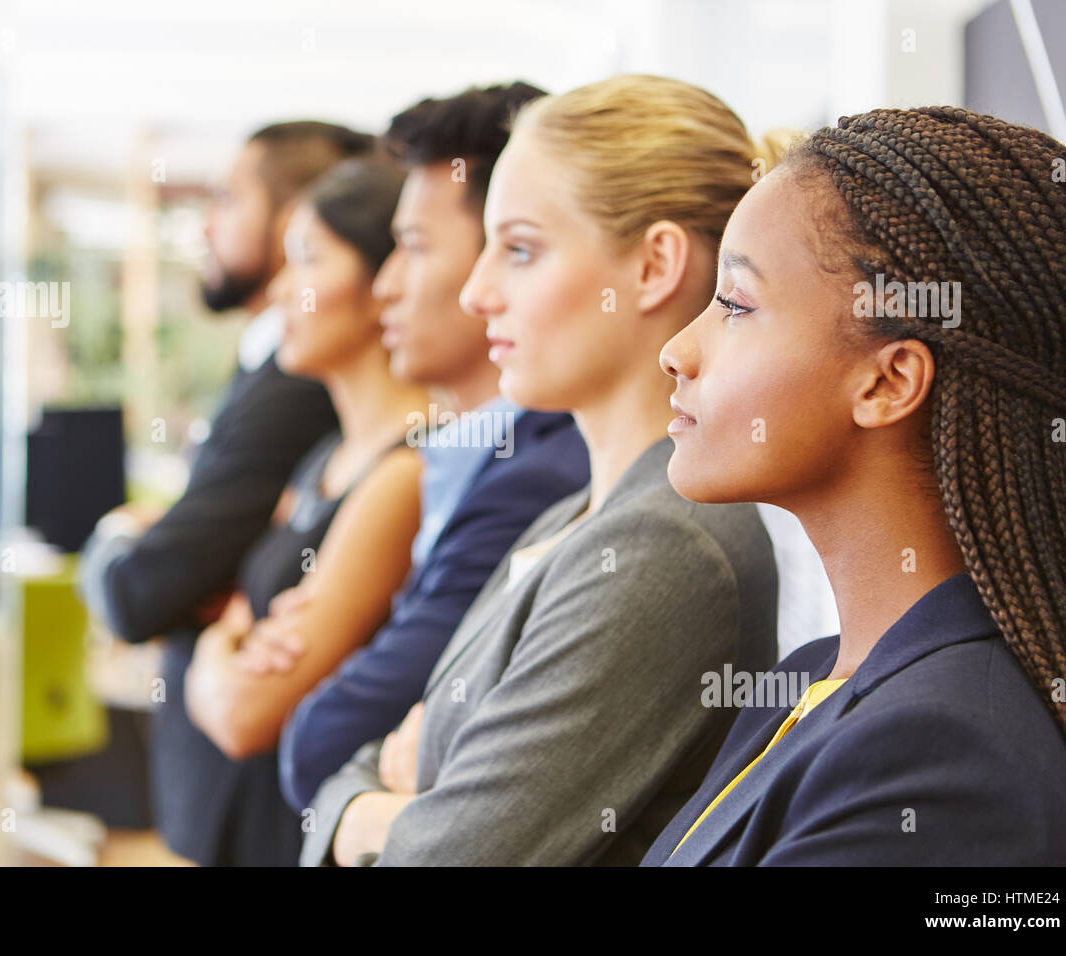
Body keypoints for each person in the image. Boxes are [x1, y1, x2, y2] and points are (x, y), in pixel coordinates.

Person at [301, 75, 780, 867]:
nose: (477, 291)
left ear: (654, 265)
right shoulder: (570, 518)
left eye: (519, 249)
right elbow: (356, 763)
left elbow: (453, 857)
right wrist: (390, 802)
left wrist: (371, 817)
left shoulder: (662, 547)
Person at [644, 106, 1066, 866]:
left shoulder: (942, 754)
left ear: (889, 382)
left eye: (734, 304)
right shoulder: (813, 676)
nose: (676, 350)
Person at [268, 83, 591, 815]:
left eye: (412, 248)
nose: (385, 286)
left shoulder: (539, 477)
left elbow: (323, 736)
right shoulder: (466, 458)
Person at [169, 156, 429, 865]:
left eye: (308, 261)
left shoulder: (403, 471)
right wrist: (232, 644)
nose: (282, 290)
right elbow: (236, 616)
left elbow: (247, 712)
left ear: (381, 280)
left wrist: (216, 655)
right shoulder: (324, 456)